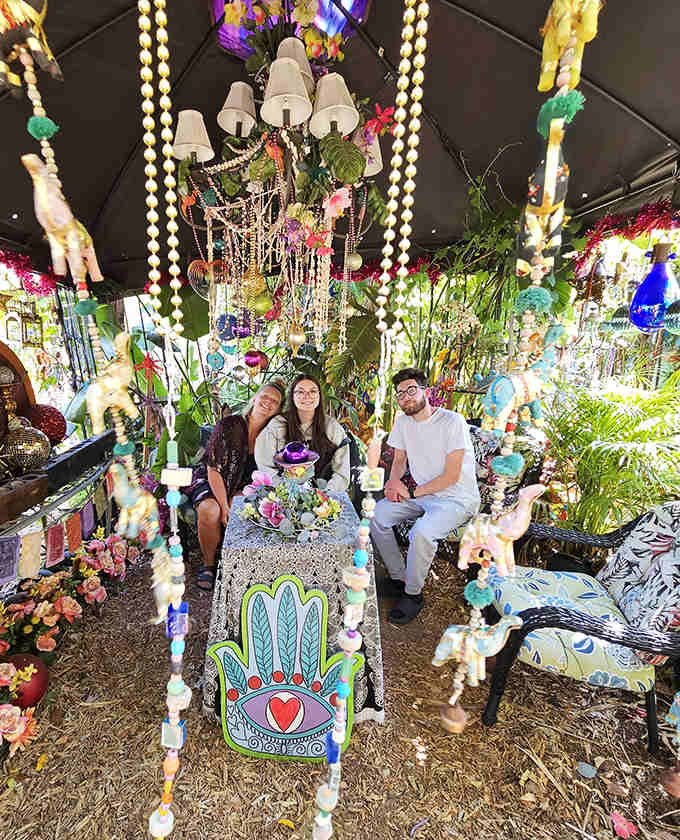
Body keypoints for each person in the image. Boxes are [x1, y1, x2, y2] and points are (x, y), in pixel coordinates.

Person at [370, 367, 480, 624]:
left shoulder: (453, 422)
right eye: (400, 393)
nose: (405, 397)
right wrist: (393, 482)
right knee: (377, 515)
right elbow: (399, 460)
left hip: (457, 499)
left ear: (425, 391)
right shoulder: (403, 422)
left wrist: (410, 491)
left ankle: (413, 594)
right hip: (423, 495)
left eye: (411, 390)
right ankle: (399, 578)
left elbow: (452, 476)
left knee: (421, 532)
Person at [187, 380, 285, 590]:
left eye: (275, 401)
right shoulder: (230, 424)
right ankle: (208, 564)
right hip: (212, 477)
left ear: (278, 409)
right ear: (255, 398)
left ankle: (232, 561)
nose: (268, 402)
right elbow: (213, 468)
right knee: (210, 509)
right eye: (265, 396)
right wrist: (223, 505)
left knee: (240, 506)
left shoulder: (272, 435)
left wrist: (234, 500)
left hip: (244, 485)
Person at [255, 374, 350, 493]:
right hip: (282, 494)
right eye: (300, 392)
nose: (307, 396)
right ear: (292, 396)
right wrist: (286, 491)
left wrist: (325, 495)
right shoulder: (278, 424)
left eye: (313, 391)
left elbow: (342, 472)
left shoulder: (332, 427)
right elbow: (265, 466)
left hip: (323, 496)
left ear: (319, 396)